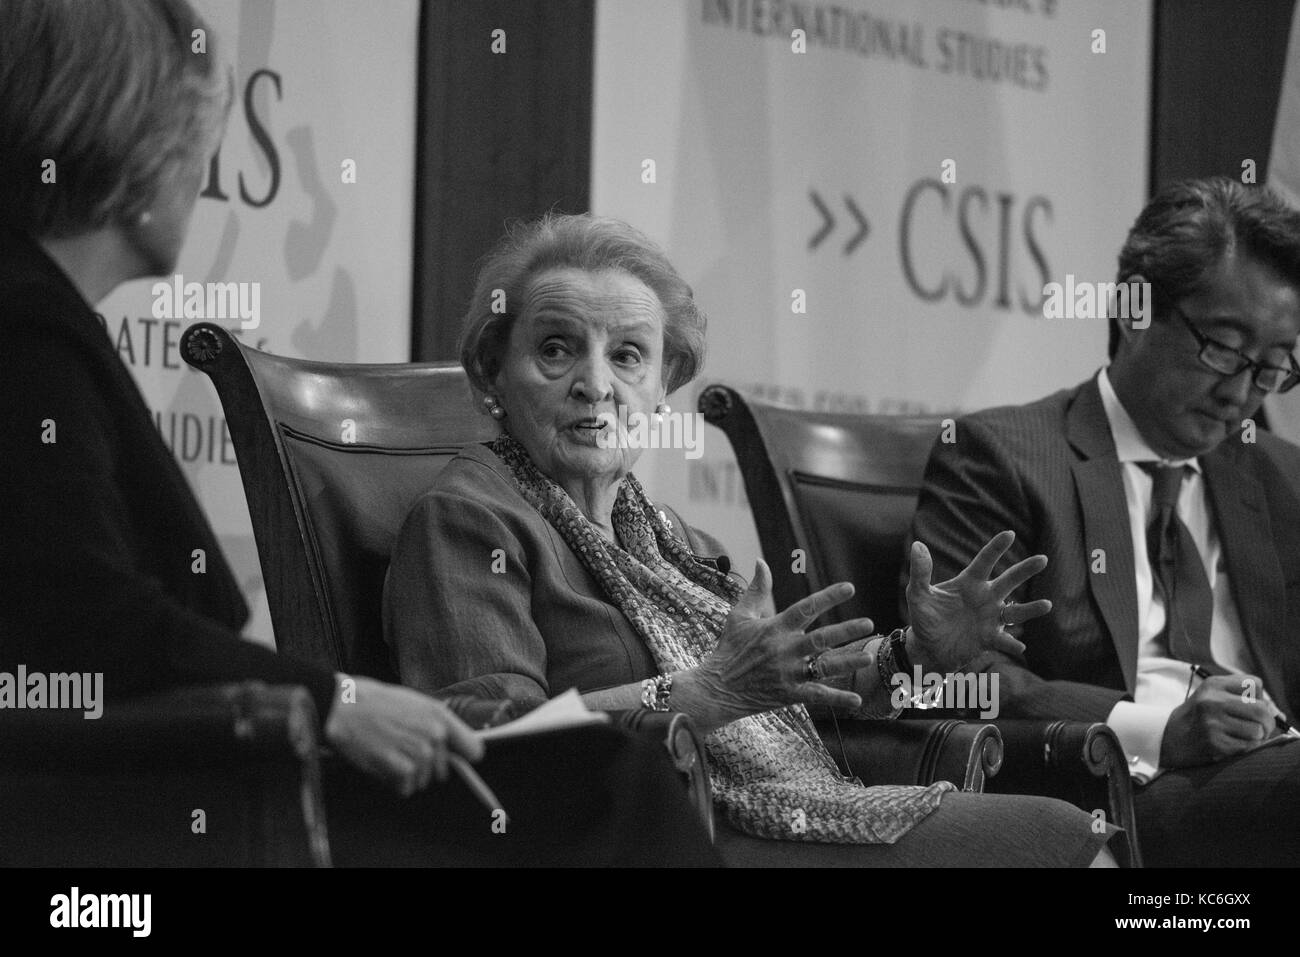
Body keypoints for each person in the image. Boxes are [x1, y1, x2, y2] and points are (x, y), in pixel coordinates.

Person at [0, 0, 718, 867]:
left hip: (183, 768)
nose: (205, 172)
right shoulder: (26, 332)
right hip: (136, 800)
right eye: (197, 139)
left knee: (615, 781)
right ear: (128, 140)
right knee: (615, 787)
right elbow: (84, 622)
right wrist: (337, 699)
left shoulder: (43, 323)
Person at [383, 212, 1119, 866]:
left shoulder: (671, 536)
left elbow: (785, 686)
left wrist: (911, 655)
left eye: (628, 356)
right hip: (659, 839)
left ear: (662, 383)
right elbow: (487, 742)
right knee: (1056, 838)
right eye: (556, 348)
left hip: (779, 814)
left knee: (1071, 837)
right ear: (491, 370)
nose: (595, 384)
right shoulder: (470, 518)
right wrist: (694, 695)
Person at [910, 177, 1300, 867]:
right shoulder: (1003, 457)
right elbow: (949, 674)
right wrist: (1159, 731)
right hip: (1116, 794)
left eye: (1273, 368)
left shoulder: (1280, 478)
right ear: (1132, 308)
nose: (1242, 394)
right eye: (1222, 347)